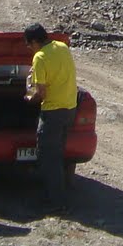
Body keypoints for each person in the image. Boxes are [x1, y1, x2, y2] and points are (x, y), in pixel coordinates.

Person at [24, 23, 77, 211]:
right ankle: (61, 196)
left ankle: (55, 202)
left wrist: (28, 97)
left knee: (48, 158)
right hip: (70, 109)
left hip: (53, 112)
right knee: (58, 154)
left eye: (29, 45)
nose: (29, 49)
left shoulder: (40, 57)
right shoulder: (62, 47)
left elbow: (41, 93)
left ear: (35, 41)